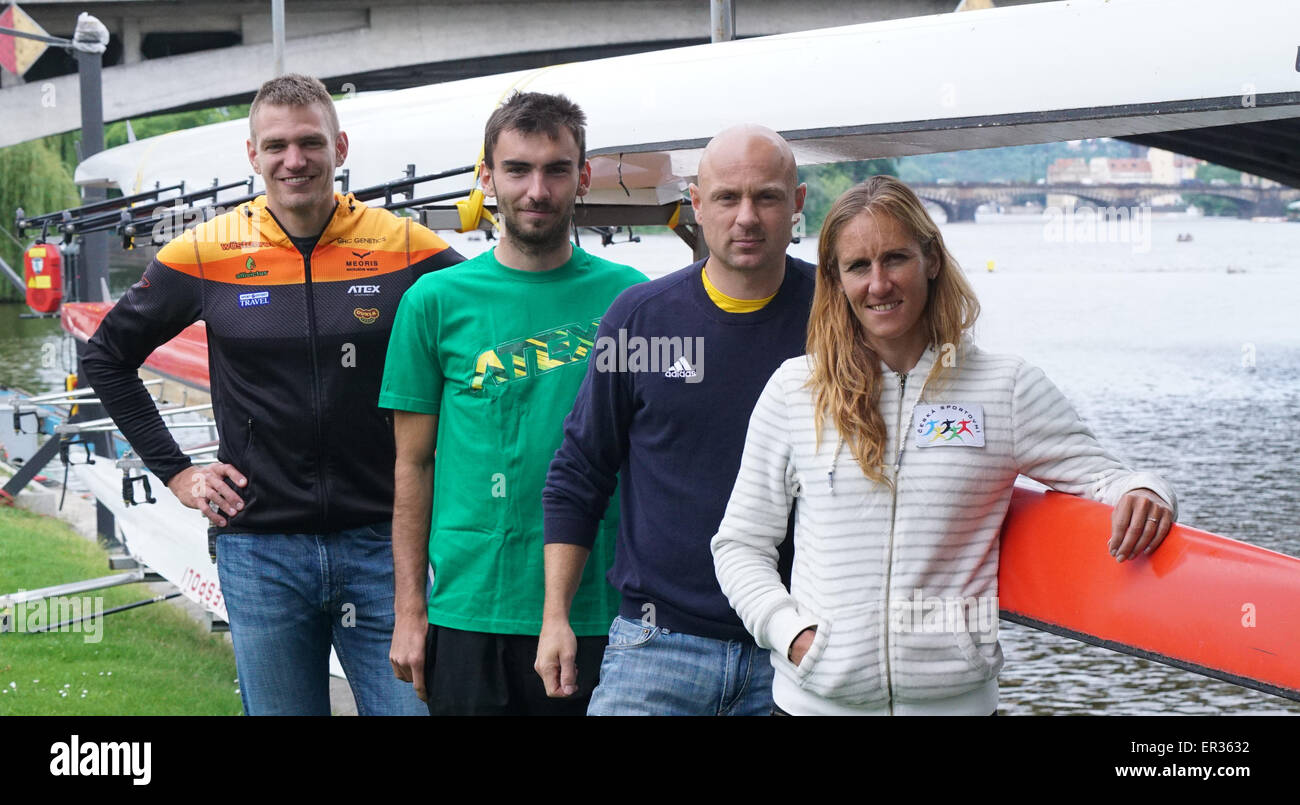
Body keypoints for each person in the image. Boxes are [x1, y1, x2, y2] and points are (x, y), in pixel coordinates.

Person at [710, 176, 1178, 716]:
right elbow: (740, 545)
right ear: (837, 282)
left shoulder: (1004, 388)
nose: (879, 284)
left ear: (931, 259)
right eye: (858, 267)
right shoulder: (796, 390)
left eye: (896, 259)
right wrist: (792, 634)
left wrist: (1145, 490)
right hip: (813, 704)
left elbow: (1104, 476)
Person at [81, 73, 463, 716]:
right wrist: (178, 473)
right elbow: (107, 356)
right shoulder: (206, 252)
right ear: (252, 154)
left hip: (383, 545)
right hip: (260, 550)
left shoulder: (405, 246)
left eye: (311, 143)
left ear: (340, 149)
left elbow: (486, 340)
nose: (295, 160)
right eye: (277, 145)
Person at [382, 91, 646, 715]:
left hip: (598, 610)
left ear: (583, 177)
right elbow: (413, 467)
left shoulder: (633, 301)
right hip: (472, 610)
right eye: (517, 169)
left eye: (556, 169)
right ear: (486, 177)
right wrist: (410, 612)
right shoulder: (433, 302)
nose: (537, 189)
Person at [538, 125, 813, 715]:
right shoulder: (639, 320)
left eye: (766, 197)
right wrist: (555, 617)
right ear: (695, 203)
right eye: (726, 198)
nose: (747, 217)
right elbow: (580, 471)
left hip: (796, 647)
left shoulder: (839, 318)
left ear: (798, 203)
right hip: (657, 646)